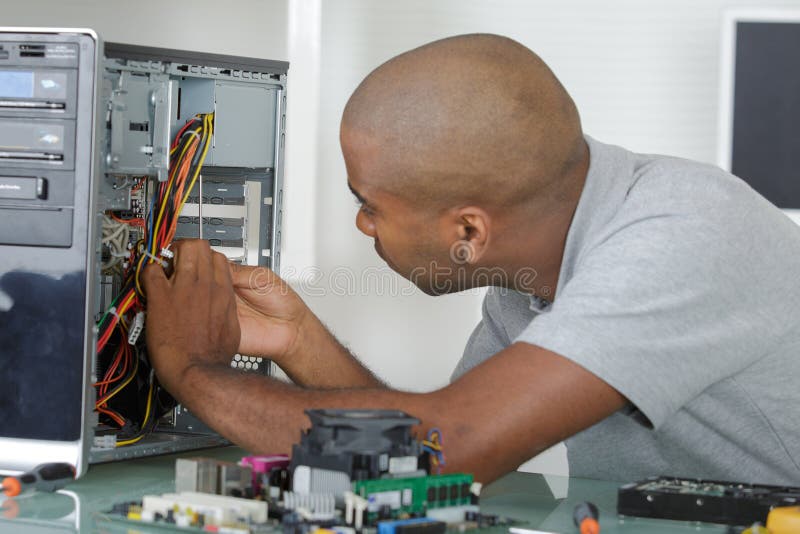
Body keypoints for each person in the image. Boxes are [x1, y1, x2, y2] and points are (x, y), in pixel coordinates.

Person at [143, 34, 800, 485]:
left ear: (469, 230)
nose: (361, 223)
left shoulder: (680, 236)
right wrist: (298, 340)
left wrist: (194, 371)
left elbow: (450, 447)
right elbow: (445, 432)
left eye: (369, 204)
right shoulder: (536, 263)